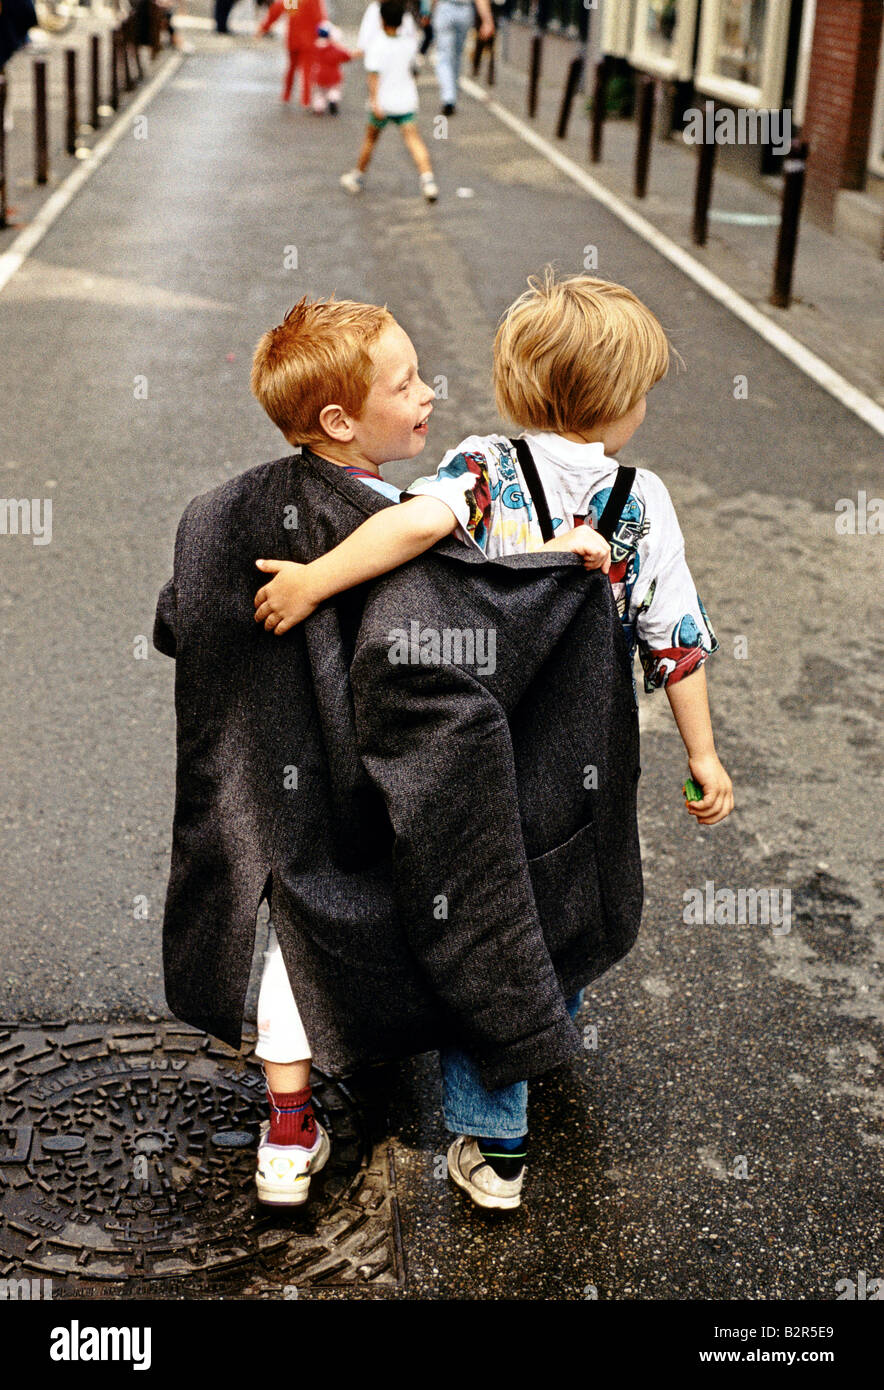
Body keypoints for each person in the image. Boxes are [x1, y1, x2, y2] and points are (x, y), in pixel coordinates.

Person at [250, 271, 734, 1209]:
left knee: (484, 917)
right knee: (559, 917)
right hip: (582, 761)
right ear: (623, 402)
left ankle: (479, 1119)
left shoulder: (483, 465)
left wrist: (313, 581)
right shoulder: (642, 502)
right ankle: (503, 1134)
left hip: (467, 750)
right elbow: (678, 640)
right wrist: (704, 757)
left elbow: (409, 527)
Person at [340, 0, 439, 203]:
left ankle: (358, 176)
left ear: (381, 19)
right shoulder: (409, 44)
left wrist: (375, 102)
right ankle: (428, 180)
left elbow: (373, 78)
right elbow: (415, 70)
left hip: (383, 104)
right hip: (406, 102)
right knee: (414, 141)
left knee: (370, 140)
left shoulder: (377, 46)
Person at [256, 0, 326, 107]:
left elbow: (277, 10)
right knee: (307, 71)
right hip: (309, 40)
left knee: (291, 68)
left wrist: (264, 28)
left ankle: (286, 95)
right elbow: (320, 18)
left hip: (294, 39)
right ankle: (306, 99)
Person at [433, 0, 494, 116]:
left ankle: (448, 96)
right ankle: (452, 95)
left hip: (445, 7)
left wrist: (430, 11)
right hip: (464, 10)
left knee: (444, 56)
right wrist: (487, 20)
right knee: (456, 56)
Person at [310, 21, 352, 113]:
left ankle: (318, 107)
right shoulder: (334, 48)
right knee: (334, 89)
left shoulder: (314, 47)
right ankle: (333, 99)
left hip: (319, 74)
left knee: (319, 93)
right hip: (333, 74)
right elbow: (346, 56)